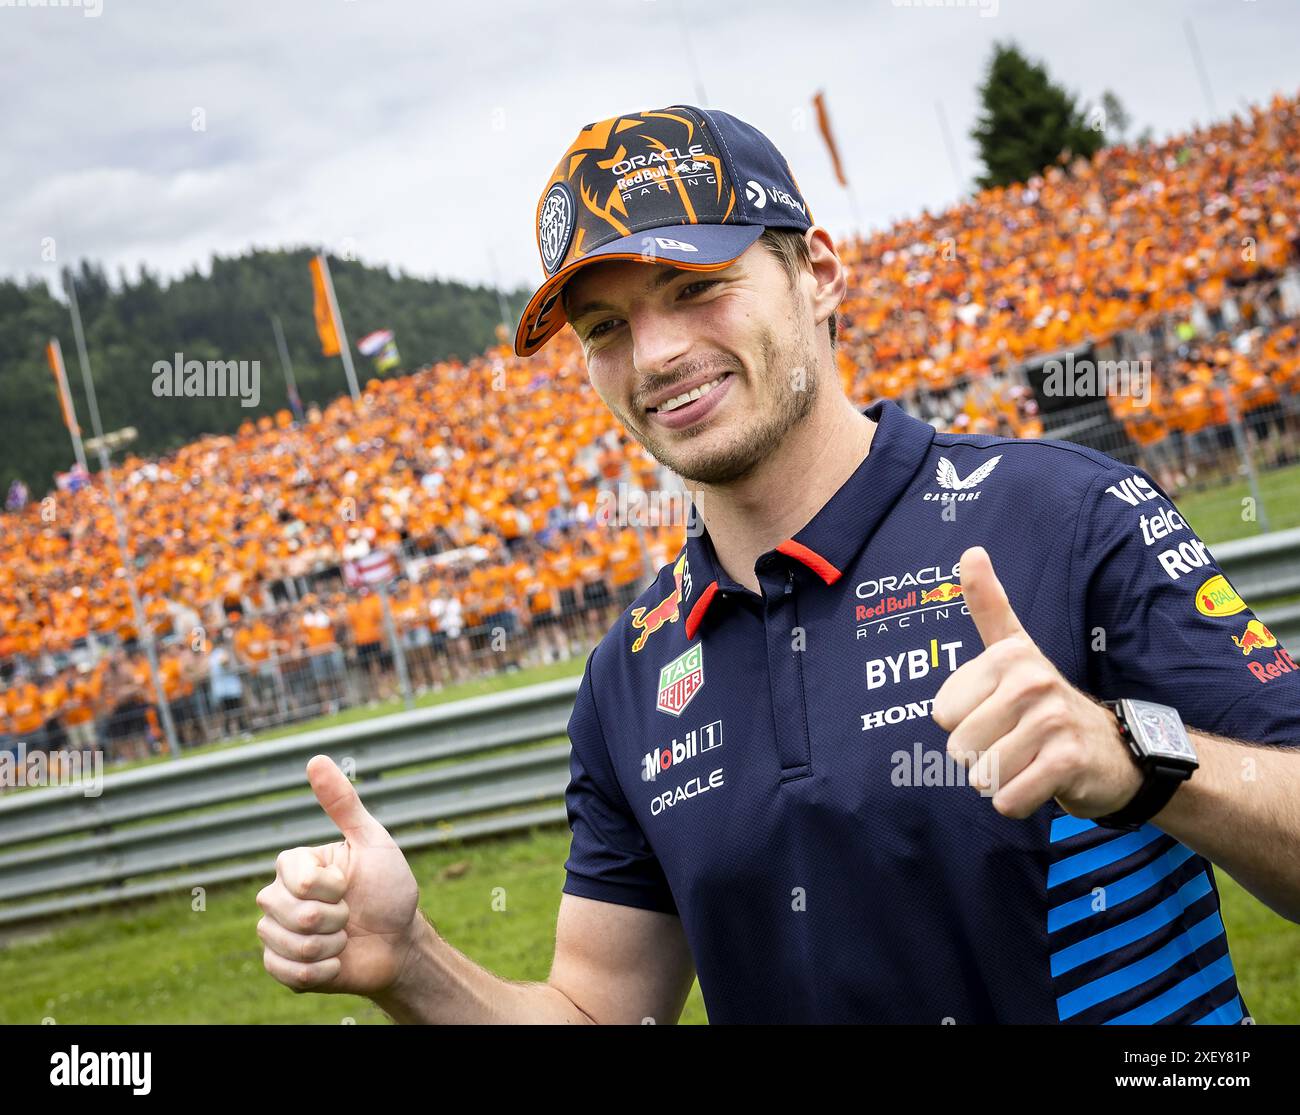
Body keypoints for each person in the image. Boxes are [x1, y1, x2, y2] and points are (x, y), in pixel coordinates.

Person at [259, 103, 1300, 1024]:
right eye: (607, 326)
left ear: (818, 271)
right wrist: (412, 964)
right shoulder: (627, 674)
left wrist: (1132, 758)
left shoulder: (1062, 510)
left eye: (695, 286)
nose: (655, 354)